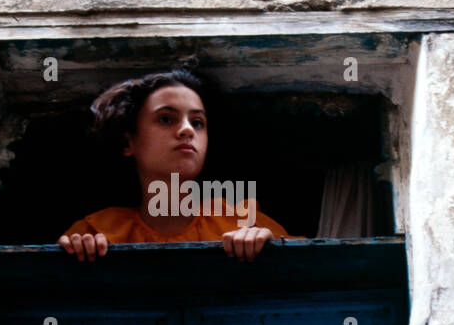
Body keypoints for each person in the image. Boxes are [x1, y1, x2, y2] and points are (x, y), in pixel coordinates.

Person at [58, 70, 295, 262]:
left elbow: (315, 269)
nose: (187, 130)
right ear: (128, 141)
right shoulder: (97, 231)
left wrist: (271, 248)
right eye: (166, 119)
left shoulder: (241, 221)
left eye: (198, 122)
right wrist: (76, 255)